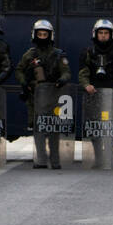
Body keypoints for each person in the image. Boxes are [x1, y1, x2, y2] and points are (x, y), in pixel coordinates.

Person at [17, 19, 72, 169]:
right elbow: (19, 70)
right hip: (36, 95)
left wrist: (61, 80)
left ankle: (55, 161)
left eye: (44, 34)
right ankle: (40, 159)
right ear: (35, 35)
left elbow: (67, 72)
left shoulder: (58, 54)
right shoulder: (30, 54)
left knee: (53, 128)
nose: (42, 37)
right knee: (39, 128)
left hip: (54, 94)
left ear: (50, 35)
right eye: (39, 34)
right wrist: (23, 82)